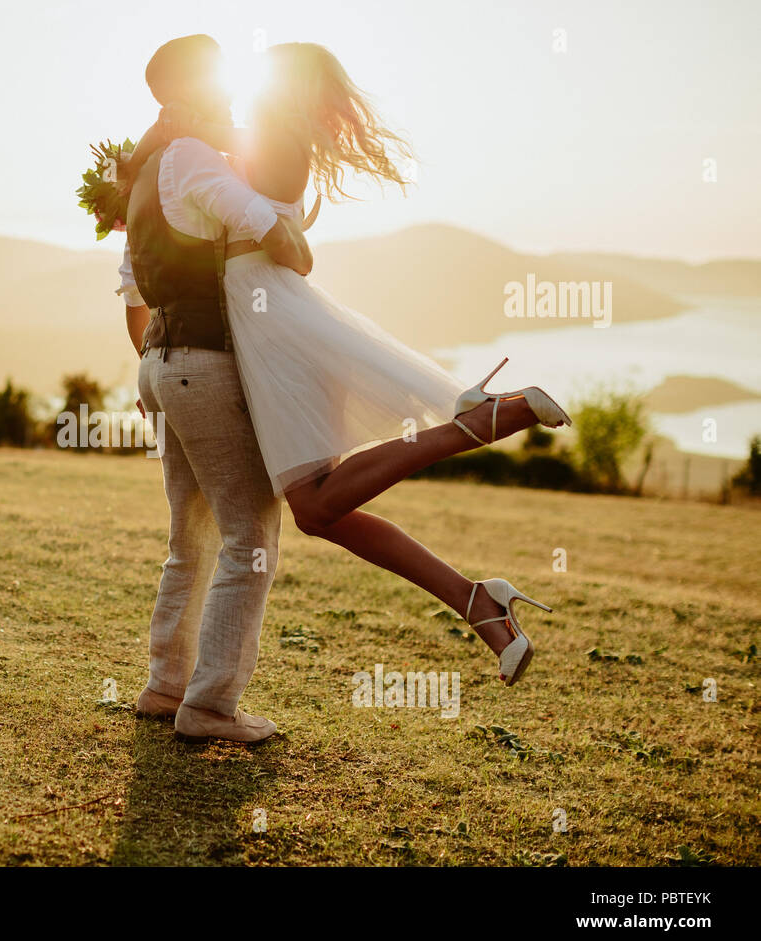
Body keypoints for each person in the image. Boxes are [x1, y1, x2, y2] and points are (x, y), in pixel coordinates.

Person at [120, 41, 571, 688]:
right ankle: (478, 601)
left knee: (313, 508)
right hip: (263, 328)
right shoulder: (248, 138)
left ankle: (475, 426)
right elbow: (182, 141)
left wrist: (147, 151)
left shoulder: (273, 142)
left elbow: (279, 239)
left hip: (279, 330)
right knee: (320, 511)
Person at [118, 35, 312, 743]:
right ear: (195, 93)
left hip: (161, 361)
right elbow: (270, 229)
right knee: (250, 532)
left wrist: (153, 373)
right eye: (222, 87)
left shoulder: (142, 178)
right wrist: (296, 246)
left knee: (190, 537)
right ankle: (211, 707)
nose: (232, 97)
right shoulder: (194, 160)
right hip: (204, 361)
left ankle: (166, 687)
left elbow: (129, 288)